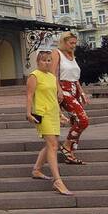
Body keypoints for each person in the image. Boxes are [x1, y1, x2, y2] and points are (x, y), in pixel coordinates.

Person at [26, 49, 71, 196]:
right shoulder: (34, 76)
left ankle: (37, 170)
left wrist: (60, 114)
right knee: (53, 145)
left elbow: (54, 98)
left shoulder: (52, 77)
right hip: (42, 113)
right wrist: (28, 113)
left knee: (51, 144)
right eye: (44, 60)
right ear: (38, 61)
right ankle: (57, 180)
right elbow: (29, 96)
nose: (47, 62)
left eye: (49, 60)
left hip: (53, 113)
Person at [50, 31, 90, 165]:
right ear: (63, 42)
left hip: (74, 90)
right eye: (71, 43)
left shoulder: (72, 56)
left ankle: (70, 154)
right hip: (64, 90)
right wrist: (59, 90)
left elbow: (76, 78)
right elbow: (53, 74)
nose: (74, 45)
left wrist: (82, 93)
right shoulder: (57, 53)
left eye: (75, 43)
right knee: (83, 120)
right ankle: (66, 147)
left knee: (76, 122)